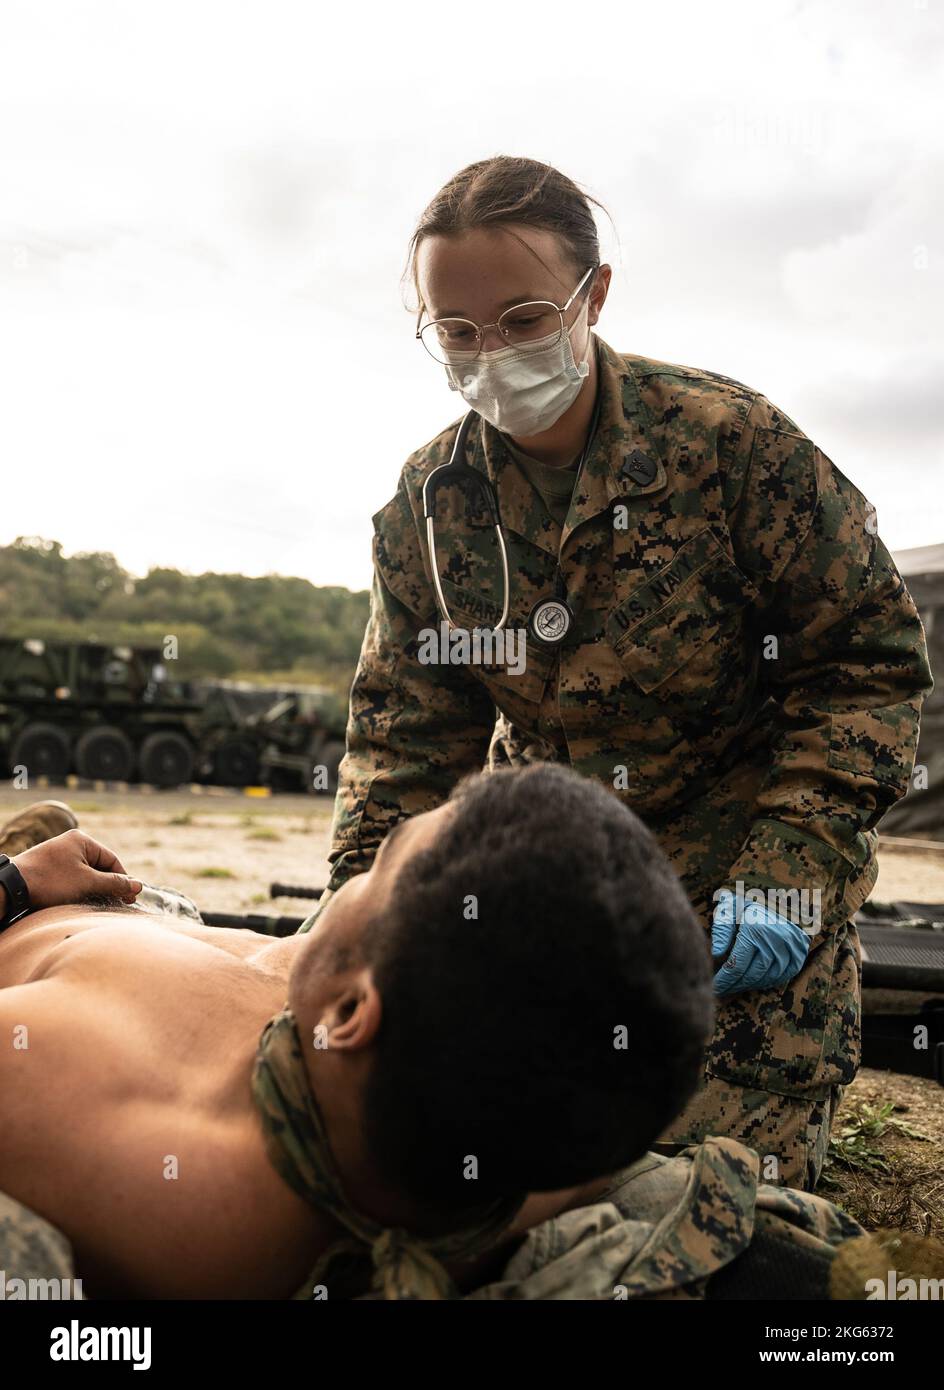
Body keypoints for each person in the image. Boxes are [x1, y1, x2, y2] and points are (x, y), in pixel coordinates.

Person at [316, 154, 933, 1190]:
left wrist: (790, 867)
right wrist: (354, 921)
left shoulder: (729, 446)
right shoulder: (431, 505)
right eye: (455, 331)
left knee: (689, 1187)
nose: (490, 355)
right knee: (447, 1155)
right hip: (546, 885)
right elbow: (402, 742)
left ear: (592, 295)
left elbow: (863, 663)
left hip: (733, 895)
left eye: (522, 319)